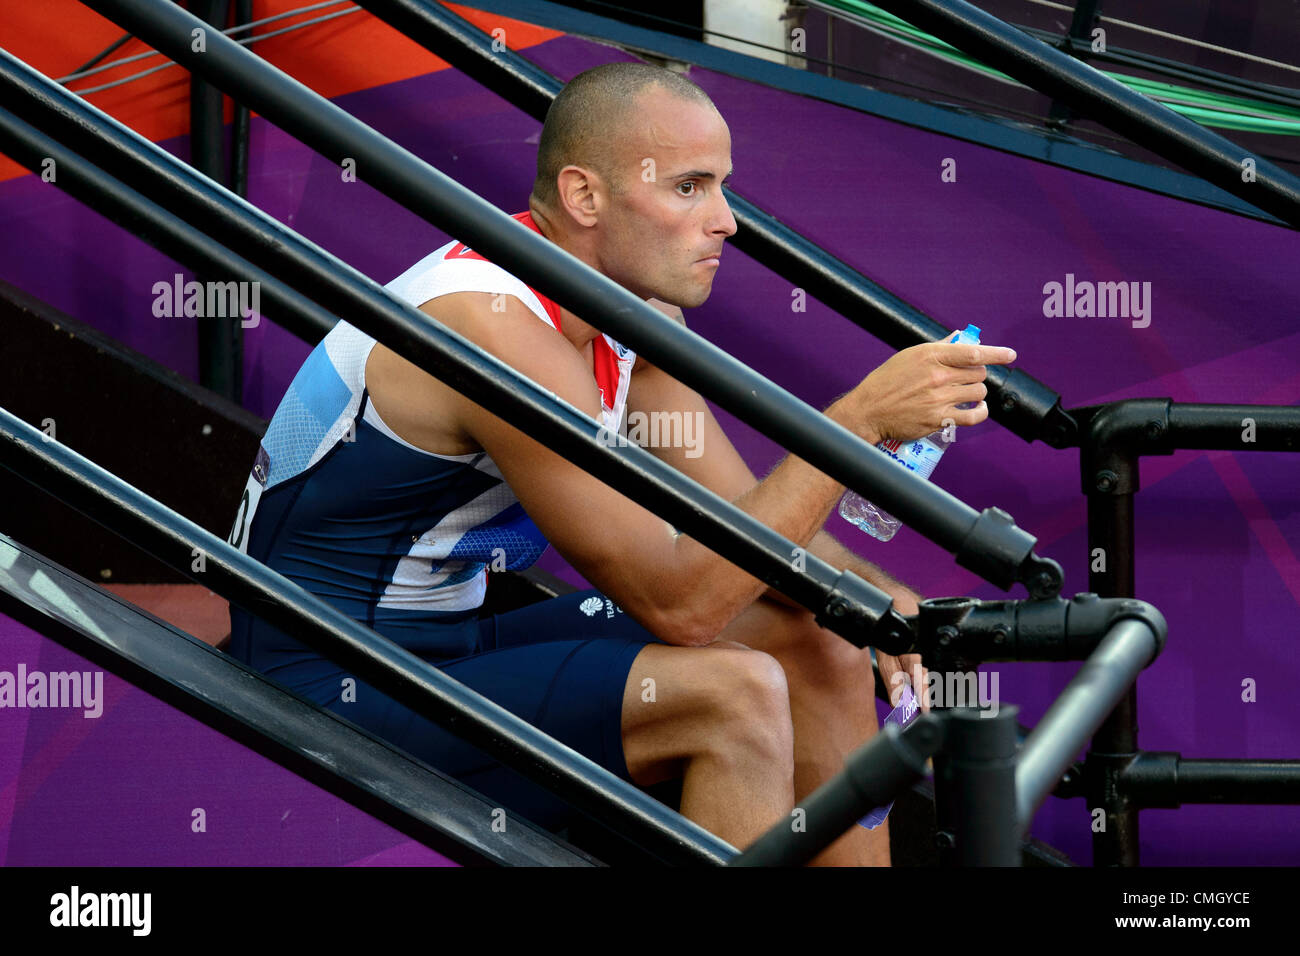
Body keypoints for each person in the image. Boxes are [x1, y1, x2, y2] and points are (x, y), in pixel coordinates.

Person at [226, 61, 1016, 865]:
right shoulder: (489, 324)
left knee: (822, 637)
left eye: (722, 186)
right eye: (689, 187)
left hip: (448, 639)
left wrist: (875, 597)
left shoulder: (627, 304)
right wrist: (855, 425)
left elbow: (742, 525)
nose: (727, 222)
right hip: (325, 677)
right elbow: (685, 606)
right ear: (584, 197)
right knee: (733, 697)